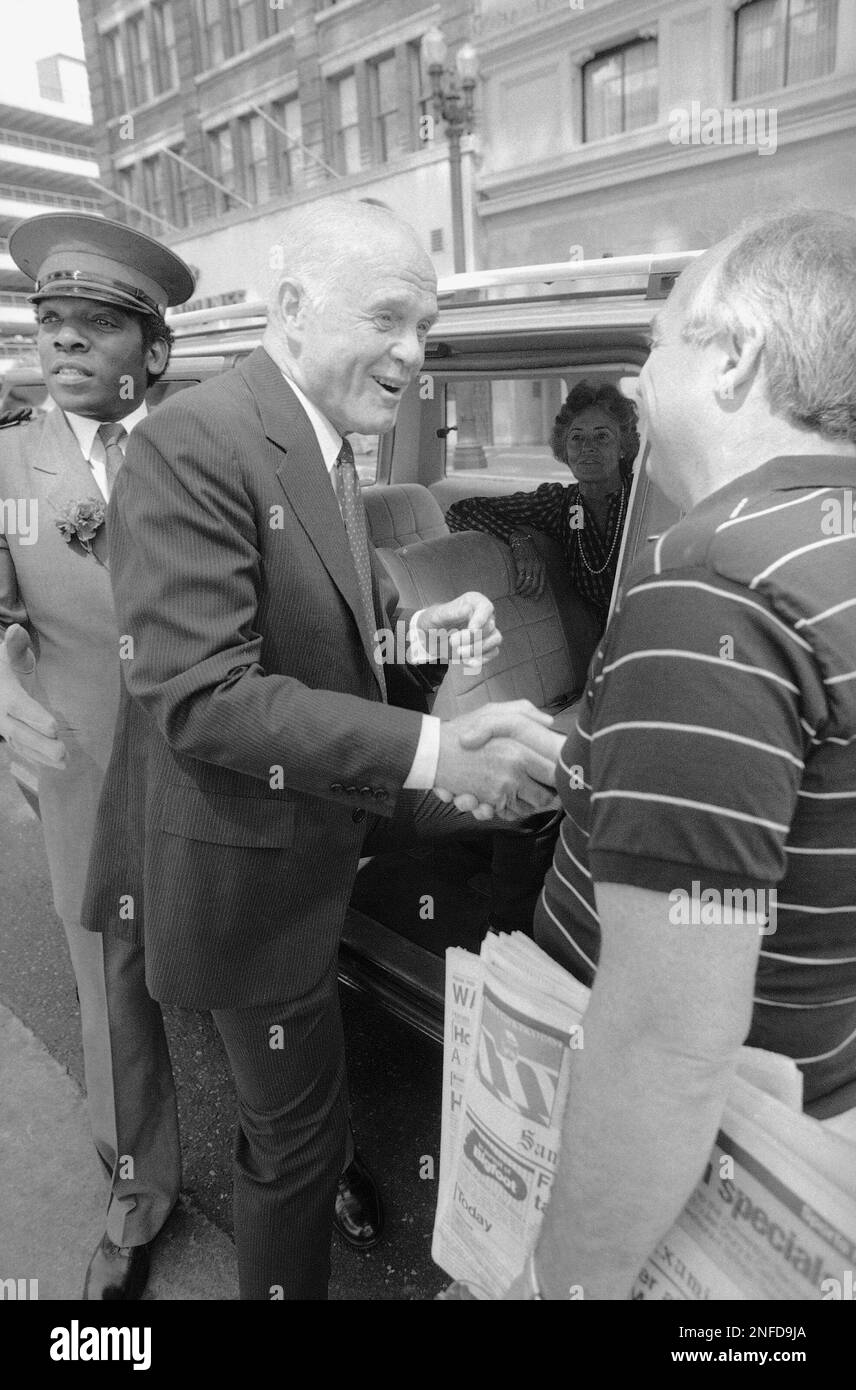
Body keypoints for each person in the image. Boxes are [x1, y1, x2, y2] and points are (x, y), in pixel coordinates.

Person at [80, 198, 565, 1300]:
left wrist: (408, 642)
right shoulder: (192, 442)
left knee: (301, 1119)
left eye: (426, 326)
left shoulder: (324, 439)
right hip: (241, 862)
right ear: (292, 308)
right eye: (387, 316)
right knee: (293, 1144)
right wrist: (438, 751)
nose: (411, 350)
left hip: (313, 828)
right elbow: (205, 695)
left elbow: (309, 649)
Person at [503, 209, 856, 1299]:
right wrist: (586, 765)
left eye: (658, 341)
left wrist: (564, 1283)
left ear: (736, 358)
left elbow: (665, 1039)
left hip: (713, 1173)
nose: (638, 374)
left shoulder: (711, 582)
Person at [0, 213, 194, 1299]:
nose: (64, 341)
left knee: (250, 973)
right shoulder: (5, 463)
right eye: (51, 320)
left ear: (152, 352)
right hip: (88, 779)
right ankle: (135, 1197)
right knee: (114, 1001)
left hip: (217, 773)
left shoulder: (208, 445)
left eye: (96, 325)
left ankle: (302, 1161)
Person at [446, 381, 639, 631]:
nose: (587, 447)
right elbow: (461, 511)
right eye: (576, 437)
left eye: (602, 436)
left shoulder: (643, 496)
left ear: (623, 447)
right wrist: (519, 541)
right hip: (601, 643)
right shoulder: (557, 503)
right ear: (565, 450)